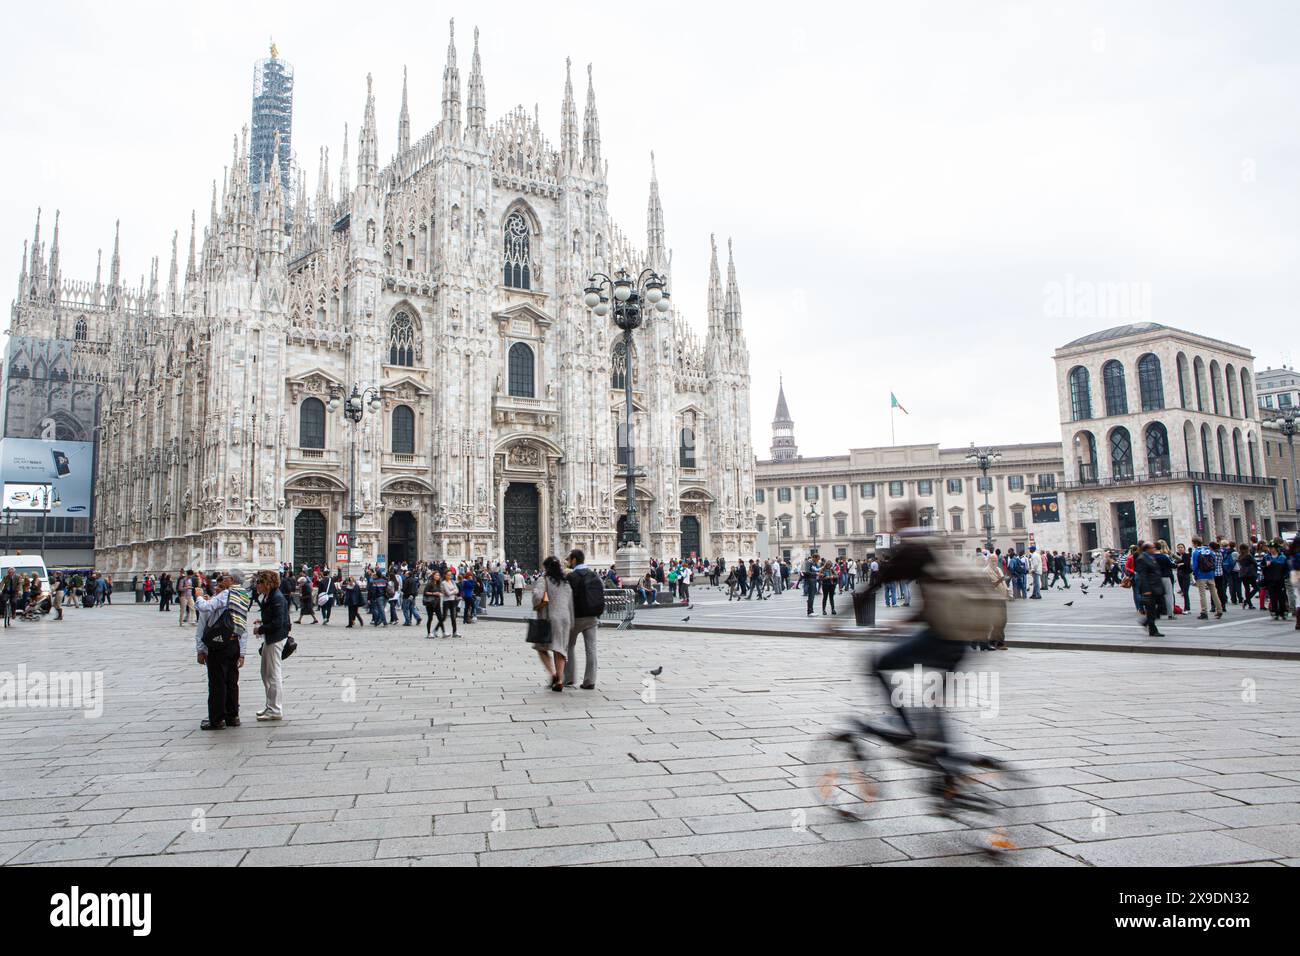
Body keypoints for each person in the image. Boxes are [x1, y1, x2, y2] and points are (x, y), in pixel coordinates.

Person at [194, 571, 252, 731]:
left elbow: (205, 607)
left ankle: (216, 719)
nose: (222, 582)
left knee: (217, 682)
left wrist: (198, 595)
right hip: (234, 642)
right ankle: (233, 716)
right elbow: (243, 623)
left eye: (225, 578)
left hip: (219, 644)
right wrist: (242, 652)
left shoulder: (228, 593)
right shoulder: (243, 594)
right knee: (232, 681)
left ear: (231, 580)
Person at [252, 569, 290, 721]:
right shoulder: (269, 596)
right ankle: (270, 705)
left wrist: (260, 628)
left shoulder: (277, 598)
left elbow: (278, 623)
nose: (257, 585)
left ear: (267, 583)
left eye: (259, 582)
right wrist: (262, 623)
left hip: (276, 639)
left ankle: (275, 709)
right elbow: (274, 618)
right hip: (270, 638)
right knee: (266, 674)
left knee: (274, 674)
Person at [532, 556, 572, 692]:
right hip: (565, 619)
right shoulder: (566, 582)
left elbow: (538, 597)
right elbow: (570, 603)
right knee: (560, 649)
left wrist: (536, 604)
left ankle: (553, 674)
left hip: (549, 618)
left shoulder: (543, 580)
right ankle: (560, 680)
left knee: (541, 647)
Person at [564, 549, 602, 689]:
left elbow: (566, 598)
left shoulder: (571, 577)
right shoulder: (594, 575)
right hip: (592, 617)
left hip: (576, 618)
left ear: (574, 560)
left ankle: (569, 678)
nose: (568, 562)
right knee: (591, 649)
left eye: (569, 560)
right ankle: (590, 680)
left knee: (569, 646)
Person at [1134, 542, 1166, 637]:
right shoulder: (1142, 559)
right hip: (1150, 587)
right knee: (1151, 609)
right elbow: (1142, 575)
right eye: (1152, 547)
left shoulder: (1151, 557)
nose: (1154, 549)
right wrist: (1146, 589)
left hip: (1157, 586)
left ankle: (1147, 622)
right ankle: (1152, 629)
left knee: (1162, 606)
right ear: (1147, 549)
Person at [1190, 536, 1224, 620]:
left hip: (1201, 575)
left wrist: (1195, 574)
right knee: (1214, 593)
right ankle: (1219, 610)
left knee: (1202, 594)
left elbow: (1194, 565)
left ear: (1195, 543)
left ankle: (1204, 612)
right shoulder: (1210, 551)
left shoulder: (1196, 552)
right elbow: (1214, 563)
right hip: (1211, 574)